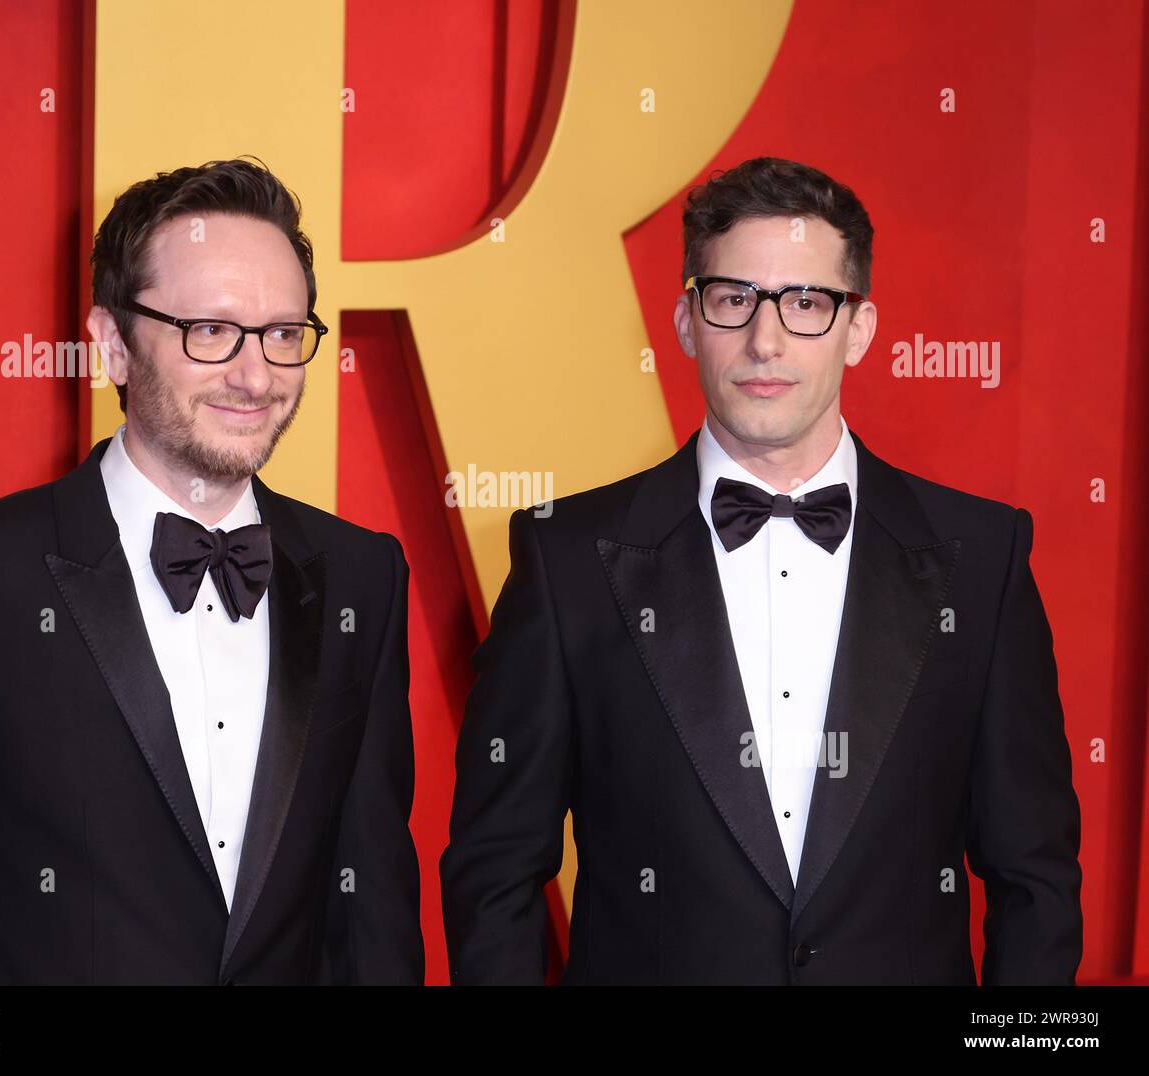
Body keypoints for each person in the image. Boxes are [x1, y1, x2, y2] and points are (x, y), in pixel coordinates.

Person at [440, 156, 1082, 985]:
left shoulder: (983, 558)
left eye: (806, 302)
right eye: (733, 298)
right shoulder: (566, 559)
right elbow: (494, 874)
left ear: (859, 327)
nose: (765, 340)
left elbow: (1036, 879)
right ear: (685, 320)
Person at [0, 157, 424, 985]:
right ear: (112, 345)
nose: (256, 375)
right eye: (210, 331)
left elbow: (373, 917)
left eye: (283, 334)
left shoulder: (363, 579)